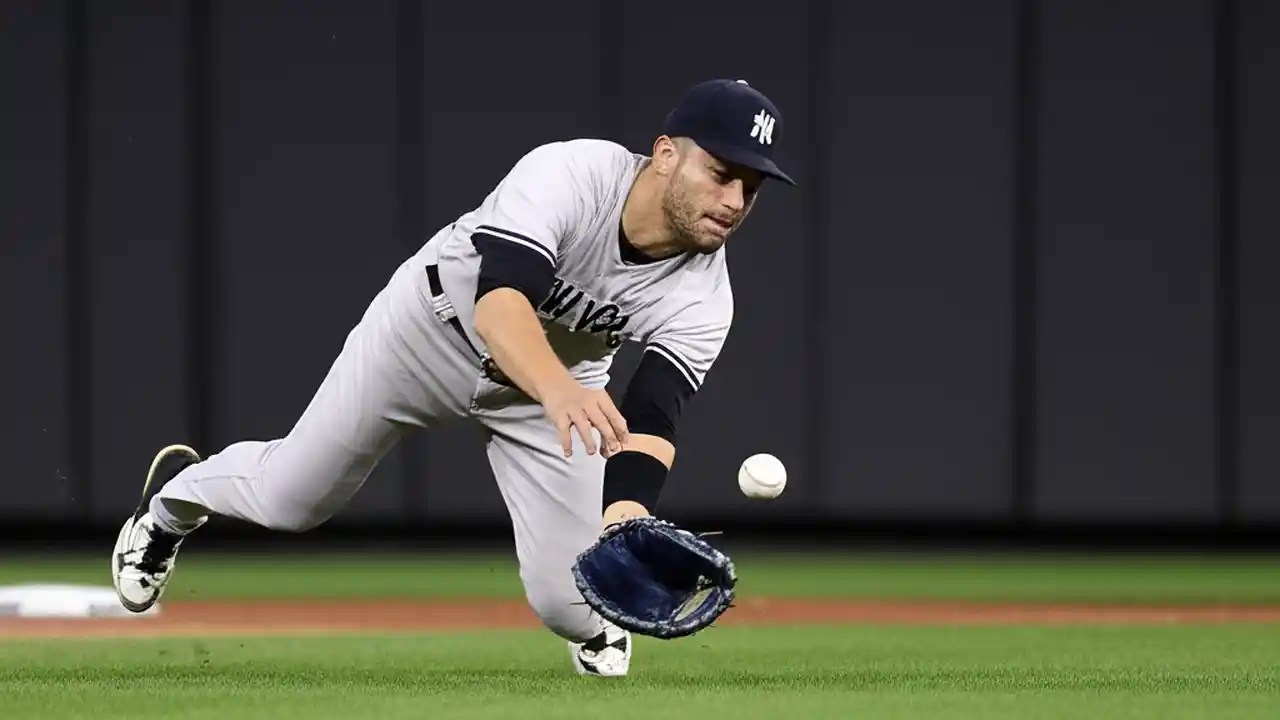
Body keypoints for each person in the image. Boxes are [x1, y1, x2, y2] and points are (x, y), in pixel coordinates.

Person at [111, 78, 795, 677]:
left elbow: (653, 415)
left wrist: (626, 516)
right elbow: (501, 303)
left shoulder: (707, 297)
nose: (734, 199)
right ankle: (172, 504)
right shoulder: (572, 174)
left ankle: (593, 620)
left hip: (554, 389)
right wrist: (558, 390)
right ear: (667, 153)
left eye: (751, 186)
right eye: (721, 172)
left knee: (573, 603)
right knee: (293, 500)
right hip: (428, 334)